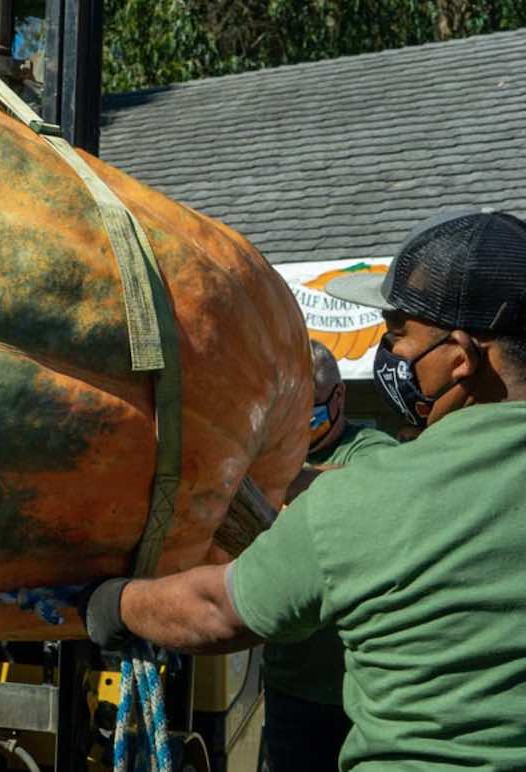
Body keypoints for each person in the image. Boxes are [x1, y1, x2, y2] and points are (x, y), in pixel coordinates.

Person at [82, 209, 526, 770]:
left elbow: (217, 611)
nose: (390, 355)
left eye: (397, 334)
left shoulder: (369, 495)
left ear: (460, 358)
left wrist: (112, 602)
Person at [263, 343, 396, 771]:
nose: (298, 419)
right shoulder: (274, 455)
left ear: (339, 398)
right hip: (290, 689)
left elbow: (379, 483)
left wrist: (283, 480)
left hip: (359, 696)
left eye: (310, 406)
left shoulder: (371, 449)